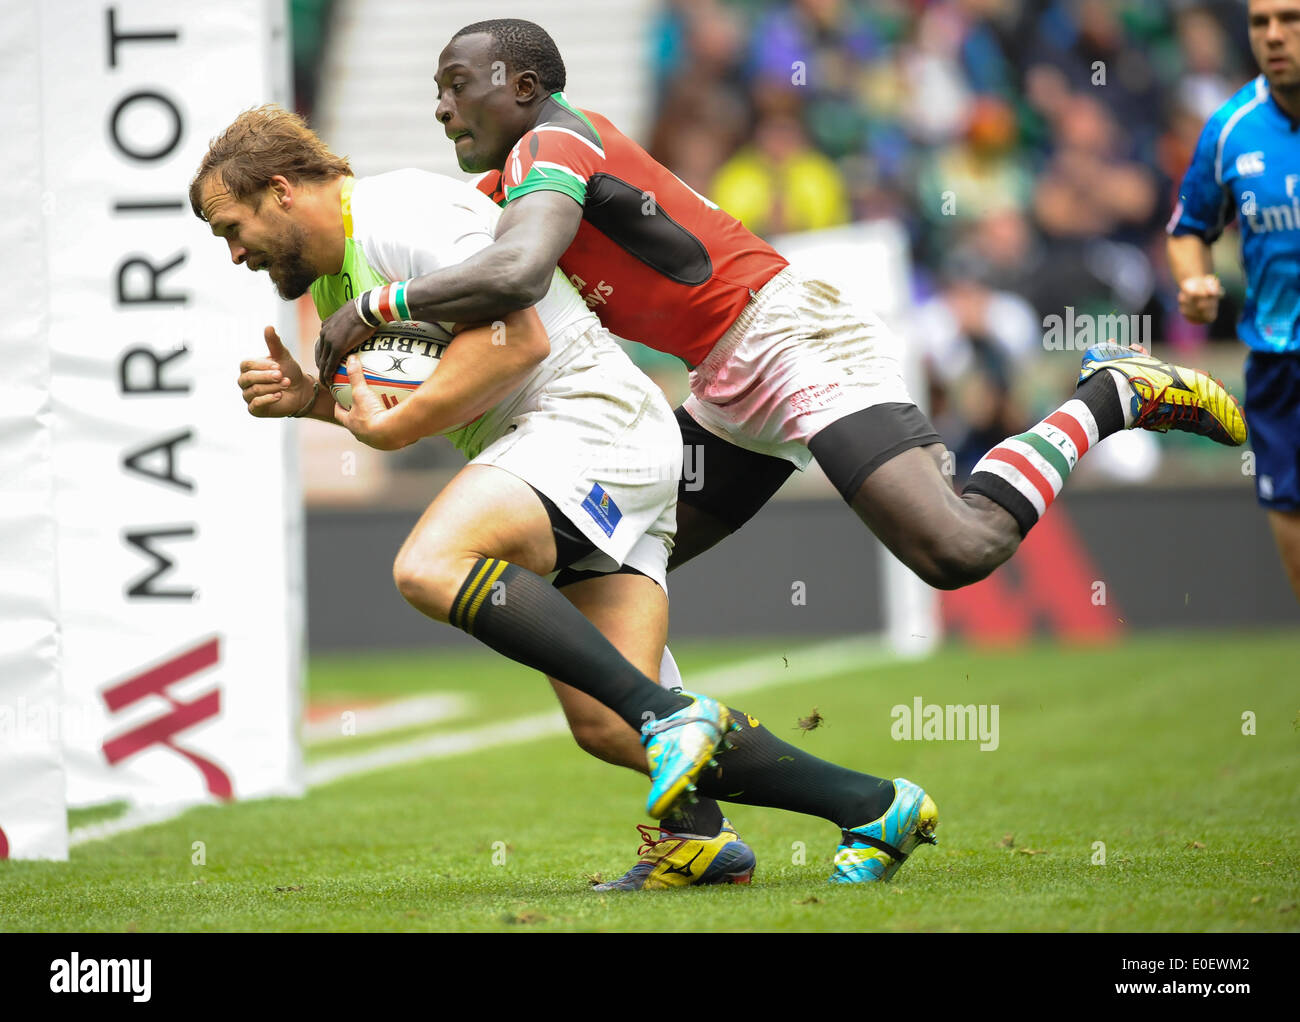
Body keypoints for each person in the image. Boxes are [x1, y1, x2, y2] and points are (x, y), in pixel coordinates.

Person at [311, 20, 1246, 888]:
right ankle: (714, 835)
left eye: (456, 86)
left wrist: (374, 309)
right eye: (434, 91)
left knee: (957, 550)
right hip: (721, 382)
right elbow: (489, 282)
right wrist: (329, 392)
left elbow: (514, 274)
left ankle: (1110, 394)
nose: (440, 108)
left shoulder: (554, 140)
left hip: (790, 337)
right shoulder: (502, 186)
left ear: (522, 87)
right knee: (605, 577)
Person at [191, 105, 941, 890]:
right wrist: (317, 401)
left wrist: (394, 428)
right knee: (609, 724)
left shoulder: (394, 212)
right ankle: (863, 807)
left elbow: (521, 338)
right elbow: (419, 395)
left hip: (589, 424)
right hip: (583, 446)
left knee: (431, 565)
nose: (234, 251)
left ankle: (667, 715)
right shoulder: (344, 270)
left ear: (280, 190)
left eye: (230, 226)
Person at [1168, 0, 1300, 604]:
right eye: (1260, 22)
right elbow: (1190, 227)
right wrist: (1194, 283)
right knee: (1291, 524)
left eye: (1291, 19)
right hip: (1279, 361)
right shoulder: (1230, 128)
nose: (1274, 35)